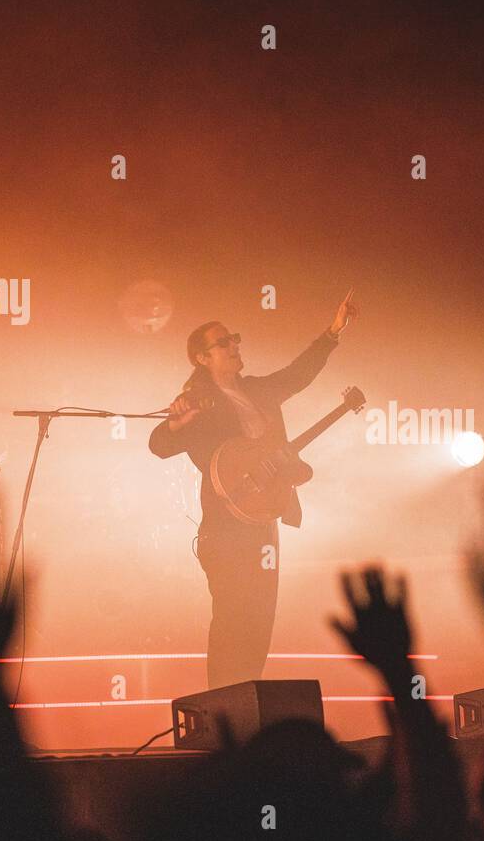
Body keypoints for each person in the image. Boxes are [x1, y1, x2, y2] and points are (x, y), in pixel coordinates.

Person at [149, 292, 356, 687]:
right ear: (202, 358)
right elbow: (159, 445)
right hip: (225, 528)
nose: (234, 345)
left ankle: (248, 705)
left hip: (263, 522)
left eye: (234, 339)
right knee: (232, 620)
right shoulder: (199, 401)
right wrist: (176, 422)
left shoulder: (257, 391)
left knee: (259, 622)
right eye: (223, 342)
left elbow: (298, 374)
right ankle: (223, 707)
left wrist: (333, 332)